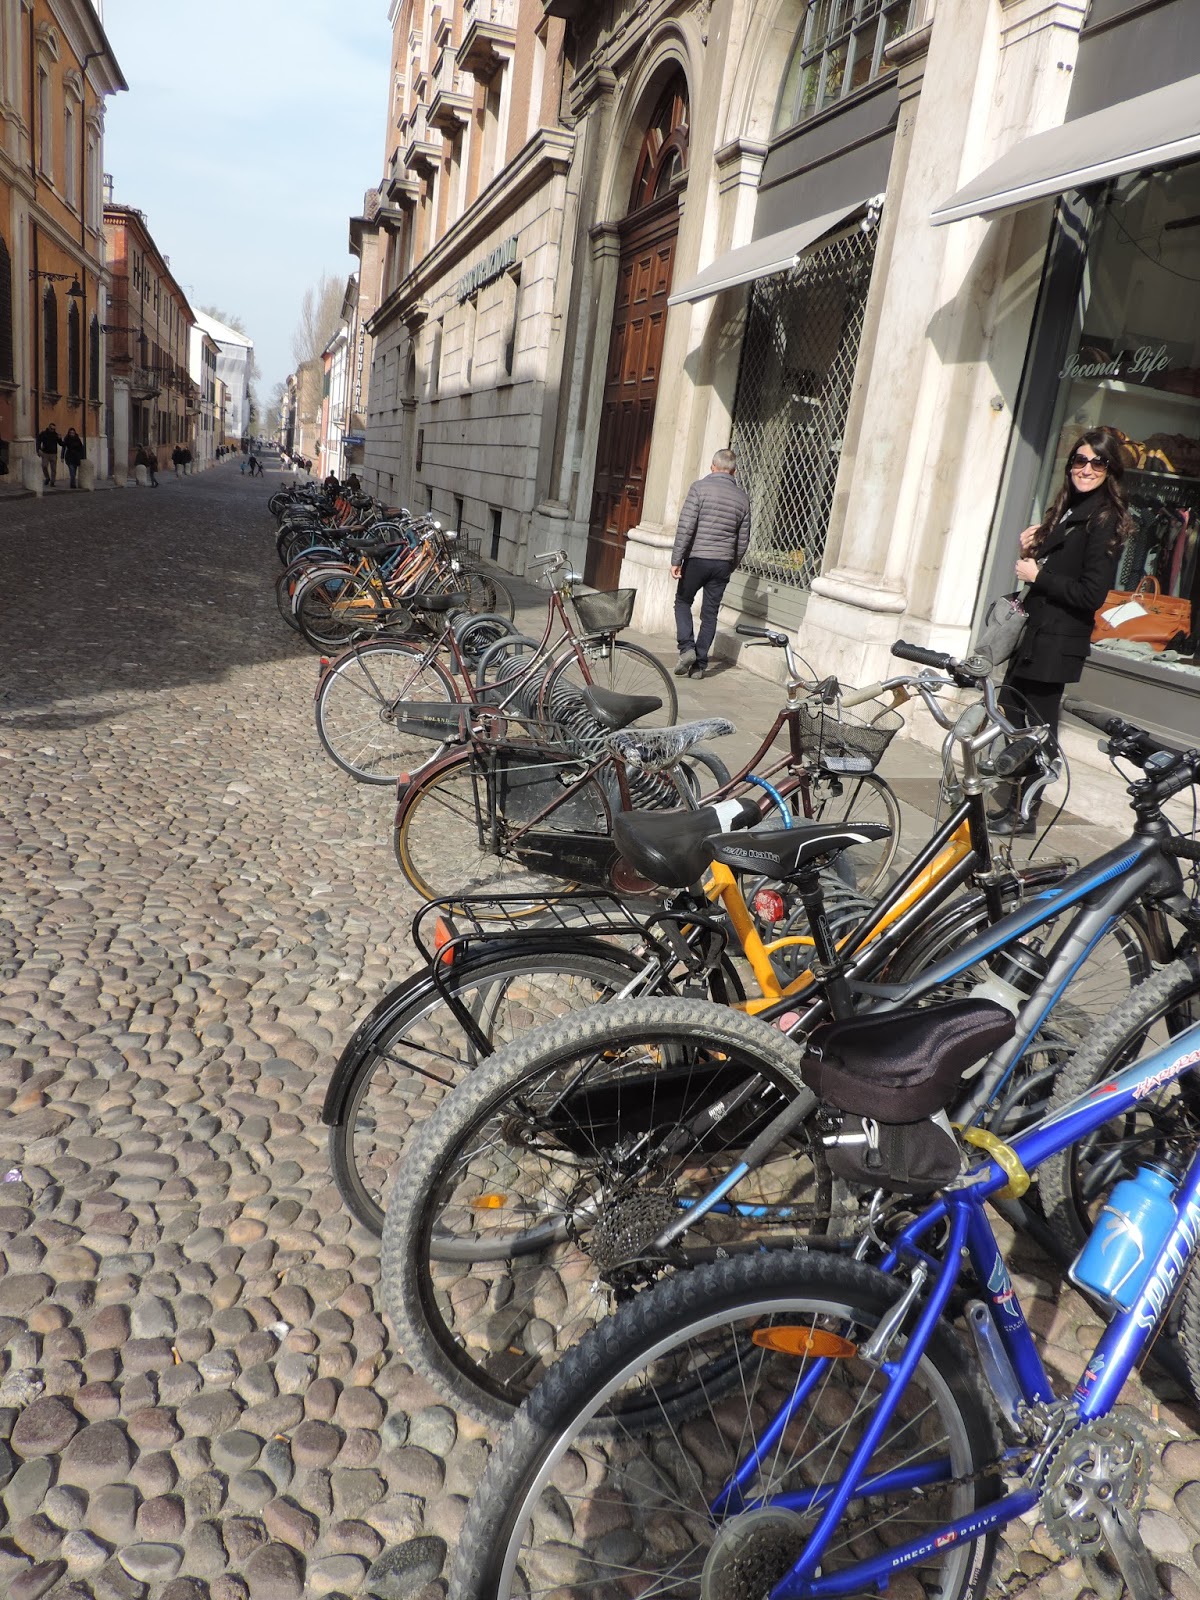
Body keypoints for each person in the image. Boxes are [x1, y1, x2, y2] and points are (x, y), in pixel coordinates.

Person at [991, 425, 1133, 836]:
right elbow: (1060, 565)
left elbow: (1092, 593)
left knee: (1036, 728)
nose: (1085, 469)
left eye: (1097, 462)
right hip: (1034, 637)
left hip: (1055, 644)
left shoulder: (1105, 518)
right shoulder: (1071, 508)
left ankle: (1025, 812)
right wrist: (1033, 549)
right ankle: (1018, 803)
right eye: (1080, 460)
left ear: (1110, 469)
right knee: (1015, 719)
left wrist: (1038, 574)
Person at [670, 447, 752, 679]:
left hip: (697, 558)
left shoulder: (699, 489)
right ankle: (700, 664)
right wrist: (731, 564)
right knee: (710, 613)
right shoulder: (743, 498)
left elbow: (686, 527)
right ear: (734, 472)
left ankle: (687, 649)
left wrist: (677, 559)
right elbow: (743, 540)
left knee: (683, 601)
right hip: (722, 562)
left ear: (712, 467)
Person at [37, 423, 61, 487]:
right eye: (51, 428)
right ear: (49, 427)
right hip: (45, 453)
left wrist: (59, 438)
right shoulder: (44, 433)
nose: (52, 430)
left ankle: (52, 482)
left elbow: (61, 443)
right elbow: (38, 441)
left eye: (54, 429)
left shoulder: (56, 435)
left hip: (53, 453)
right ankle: (47, 477)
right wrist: (38, 449)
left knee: (53, 469)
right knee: (44, 466)